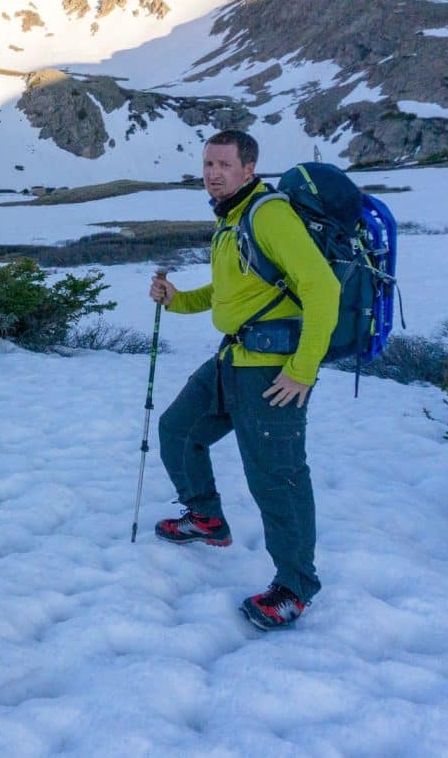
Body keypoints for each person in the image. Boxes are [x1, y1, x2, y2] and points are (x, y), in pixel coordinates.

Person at [148, 130, 339, 630]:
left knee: (278, 478)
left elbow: (323, 288)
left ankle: (295, 588)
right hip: (232, 359)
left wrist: (303, 369)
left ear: (248, 169)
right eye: (207, 164)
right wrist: (178, 299)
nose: (212, 173)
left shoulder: (268, 214)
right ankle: (206, 517)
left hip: (272, 372)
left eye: (223, 165)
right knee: (178, 430)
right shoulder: (232, 219)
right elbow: (228, 291)